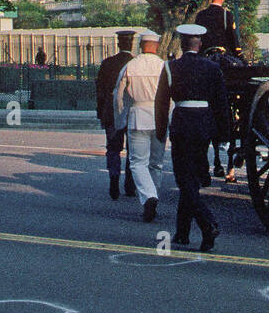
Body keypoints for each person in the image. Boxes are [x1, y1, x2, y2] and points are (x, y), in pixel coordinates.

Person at [154, 24, 228, 252]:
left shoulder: (170, 67)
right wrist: (222, 133)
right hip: (204, 124)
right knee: (191, 179)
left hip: (183, 122)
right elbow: (221, 104)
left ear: (182, 44)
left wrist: (160, 130)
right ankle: (183, 232)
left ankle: (207, 225)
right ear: (200, 44)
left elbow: (161, 103)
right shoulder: (212, 68)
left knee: (184, 179)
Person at [113, 30, 166, 216]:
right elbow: (172, 97)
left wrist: (120, 120)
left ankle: (149, 196)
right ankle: (154, 196)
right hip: (159, 117)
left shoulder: (131, 66)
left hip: (138, 116)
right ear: (157, 46)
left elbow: (119, 97)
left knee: (137, 163)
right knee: (156, 163)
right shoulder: (163, 66)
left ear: (141, 46)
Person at [195, 0, 240, 180]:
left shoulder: (201, 16)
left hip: (205, 61)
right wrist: (239, 55)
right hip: (223, 63)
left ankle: (209, 164)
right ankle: (229, 165)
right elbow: (233, 42)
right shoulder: (226, 15)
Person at [95, 30, 138, 200]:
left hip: (111, 112)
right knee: (133, 149)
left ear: (118, 44)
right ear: (132, 44)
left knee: (113, 148)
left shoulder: (107, 63)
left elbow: (100, 91)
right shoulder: (135, 63)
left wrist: (101, 112)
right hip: (132, 111)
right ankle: (130, 184)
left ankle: (114, 180)